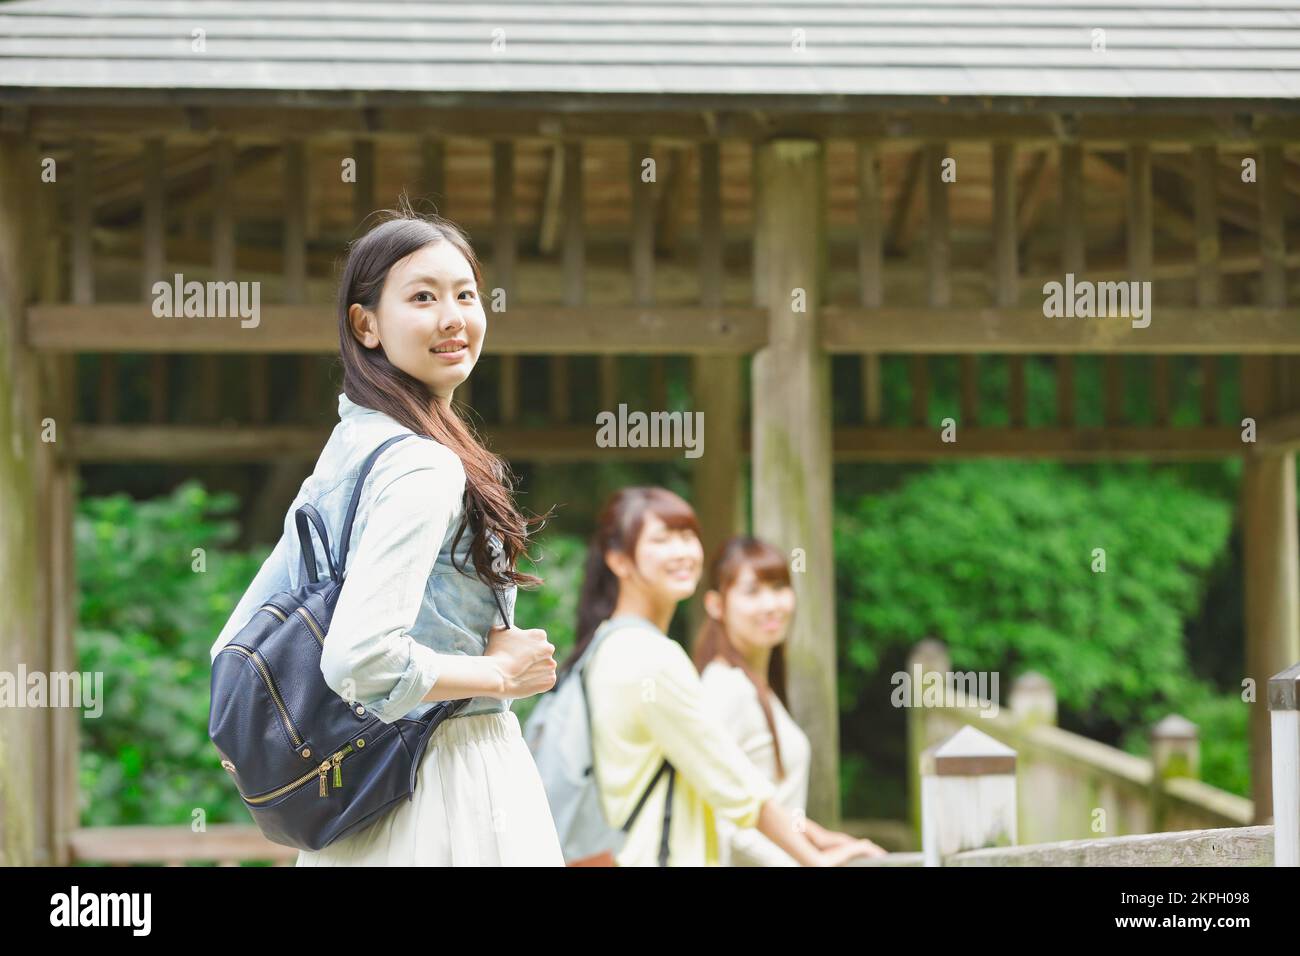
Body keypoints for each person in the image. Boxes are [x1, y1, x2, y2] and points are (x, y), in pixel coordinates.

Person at [209, 202, 563, 866]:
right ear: (365, 324)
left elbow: (233, 645)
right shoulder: (421, 465)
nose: (453, 317)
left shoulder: (348, 451)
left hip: (363, 800)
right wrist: (496, 672)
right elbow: (358, 659)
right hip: (445, 789)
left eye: (465, 294)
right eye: (422, 297)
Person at [573, 486, 879, 866]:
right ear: (619, 560)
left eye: (687, 536)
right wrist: (813, 861)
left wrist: (819, 840)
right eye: (661, 540)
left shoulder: (606, 646)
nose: (682, 551)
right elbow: (737, 790)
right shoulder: (652, 658)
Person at [695, 535, 884, 866]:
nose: (771, 604)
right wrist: (809, 862)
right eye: (753, 591)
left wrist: (817, 837)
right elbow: (721, 818)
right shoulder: (726, 687)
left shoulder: (757, 687)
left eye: (779, 587)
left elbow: (766, 802)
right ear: (716, 605)